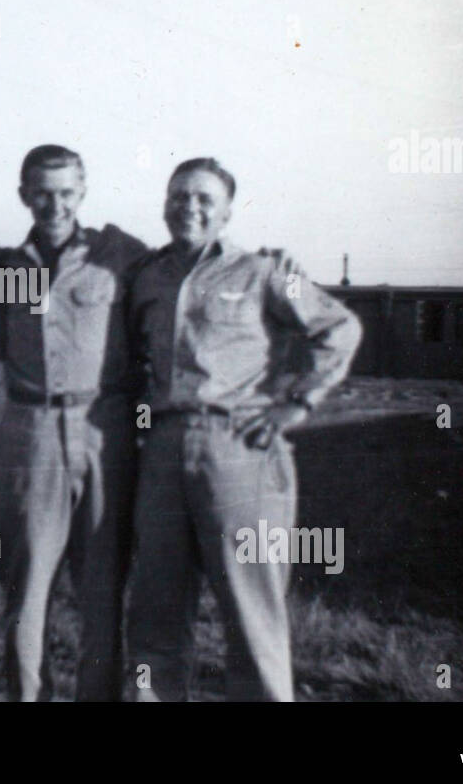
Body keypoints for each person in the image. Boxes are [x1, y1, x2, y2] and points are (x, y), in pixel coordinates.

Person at [126, 157, 362, 701]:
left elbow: (339, 327)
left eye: (205, 198)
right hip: (161, 449)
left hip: (238, 449)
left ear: (227, 211)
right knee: (155, 612)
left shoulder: (261, 271)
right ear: (165, 203)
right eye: (179, 195)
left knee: (251, 612)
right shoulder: (147, 276)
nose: (190, 206)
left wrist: (296, 403)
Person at [0, 144, 147, 701]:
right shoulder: (4, 265)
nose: (54, 205)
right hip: (28, 428)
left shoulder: (120, 255)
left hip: (104, 428)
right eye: (42, 193)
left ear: (84, 191)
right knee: (25, 590)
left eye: (66, 193)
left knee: (102, 591)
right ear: (24, 194)